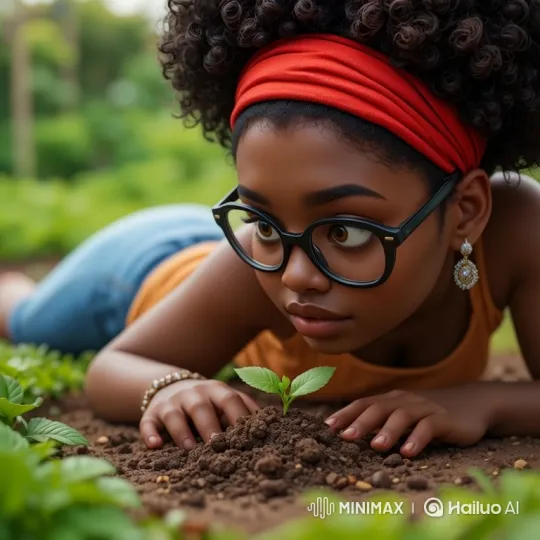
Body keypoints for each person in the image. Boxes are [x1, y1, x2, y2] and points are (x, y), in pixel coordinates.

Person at [4, 0, 540, 458]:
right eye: (263, 219)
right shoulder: (258, 260)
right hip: (132, 274)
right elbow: (112, 366)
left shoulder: (517, 231)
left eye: (346, 232)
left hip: (209, 247)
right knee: (27, 321)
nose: (298, 277)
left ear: (466, 211)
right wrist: (171, 385)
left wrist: (483, 400)